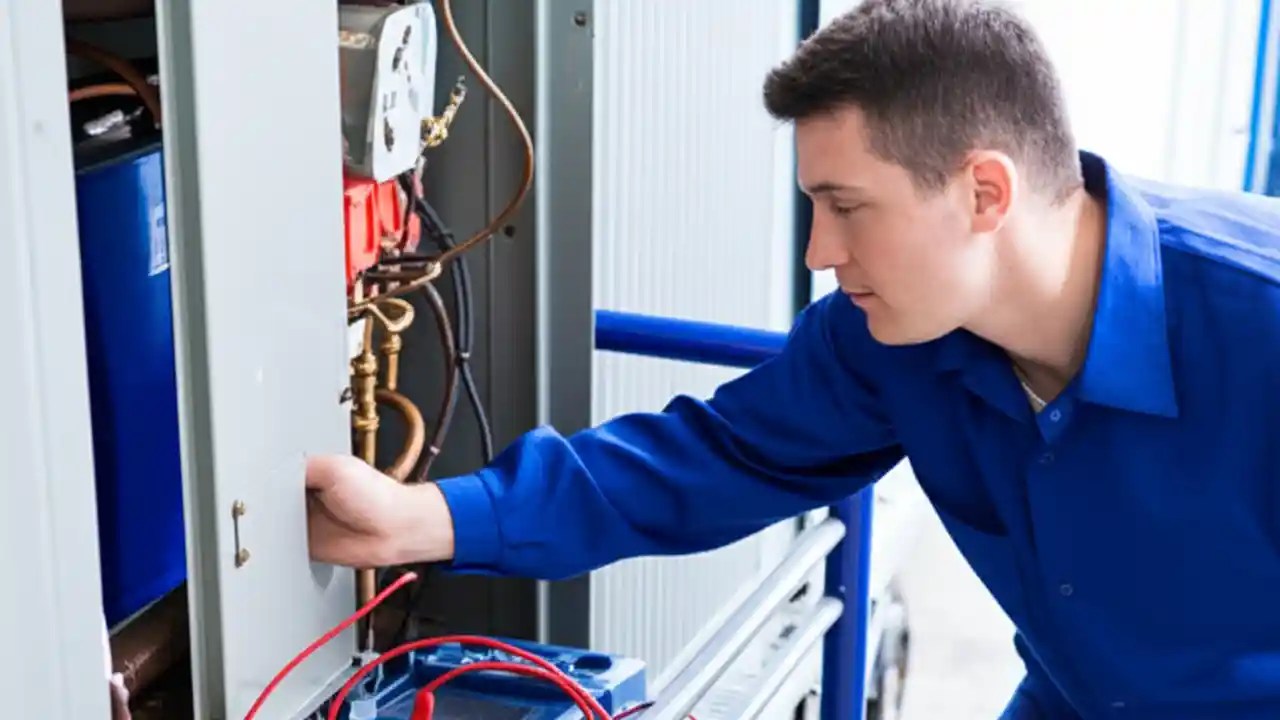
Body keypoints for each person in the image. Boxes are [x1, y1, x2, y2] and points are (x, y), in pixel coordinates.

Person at [305, 0, 1280, 717]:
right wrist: (417, 519)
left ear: (985, 193)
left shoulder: (1258, 328)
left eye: (847, 206)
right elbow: (715, 457)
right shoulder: (894, 335)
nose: (818, 252)